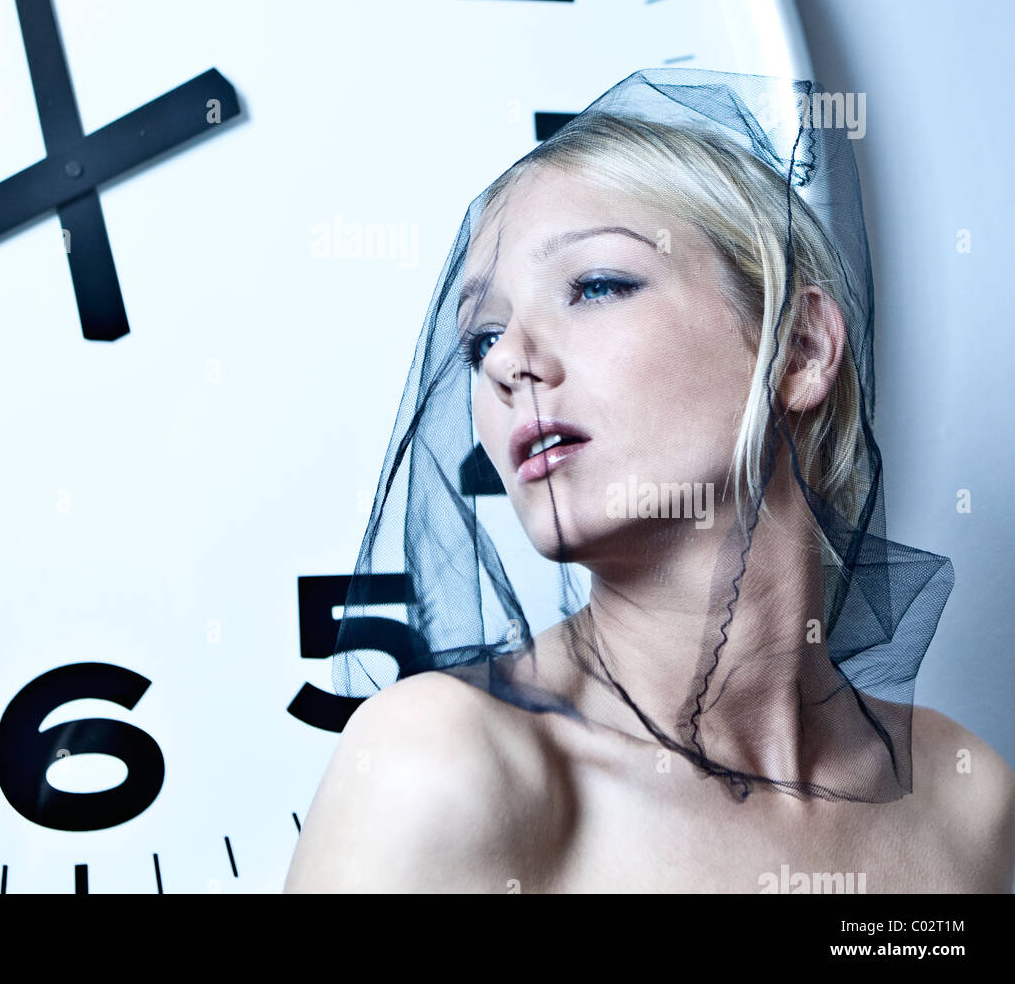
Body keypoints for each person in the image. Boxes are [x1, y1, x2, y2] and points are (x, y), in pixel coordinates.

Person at [283, 70, 1015, 894]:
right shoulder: (443, 760)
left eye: (596, 286)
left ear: (802, 348)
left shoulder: (964, 799)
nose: (511, 362)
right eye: (480, 337)